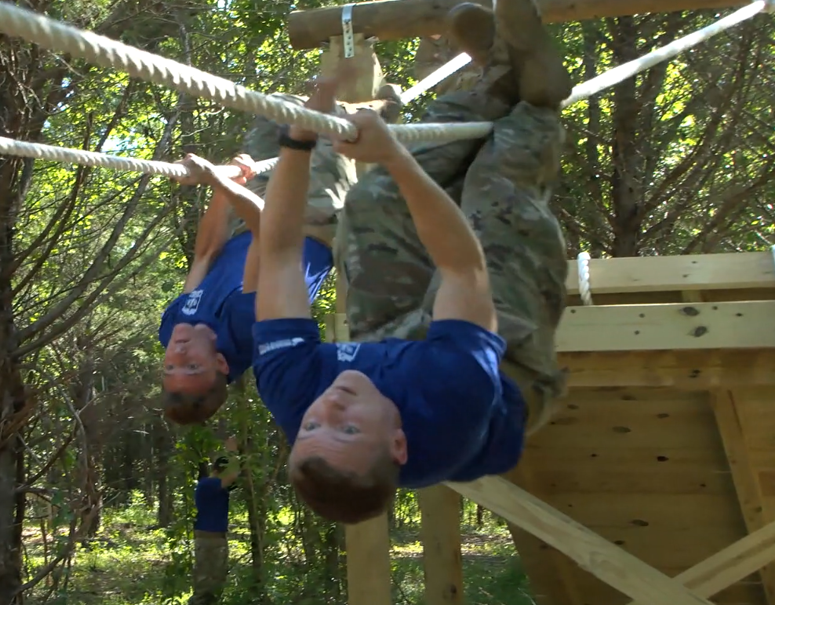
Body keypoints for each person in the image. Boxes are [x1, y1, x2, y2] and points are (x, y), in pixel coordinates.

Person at [250, 0, 573, 524]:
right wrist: (396, 155)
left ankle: (496, 78)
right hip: (510, 369)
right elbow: (463, 269)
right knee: (494, 204)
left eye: (311, 428)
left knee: (373, 202)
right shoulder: (452, 400)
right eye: (348, 429)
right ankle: (537, 107)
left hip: (387, 344)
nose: (328, 409)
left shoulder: (294, 392)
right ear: (398, 445)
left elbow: (281, 252)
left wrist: (299, 138)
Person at [158, 84, 393, 426]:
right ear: (221, 365)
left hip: (251, 212)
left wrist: (227, 179)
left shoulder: (172, 330)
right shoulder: (249, 327)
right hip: (309, 219)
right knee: (327, 122)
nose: (178, 352)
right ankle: (377, 111)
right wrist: (217, 181)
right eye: (192, 365)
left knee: (280, 108)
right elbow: (268, 232)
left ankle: (364, 109)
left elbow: (206, 252)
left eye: (170, 366)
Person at [189, 436, 241, 605]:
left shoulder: (215, 487)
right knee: (204, 586)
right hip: (208, 539)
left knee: (216, 584)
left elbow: (236, 479)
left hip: (215, 539)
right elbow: (234, 475)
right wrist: (233, 451)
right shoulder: (209, 484)